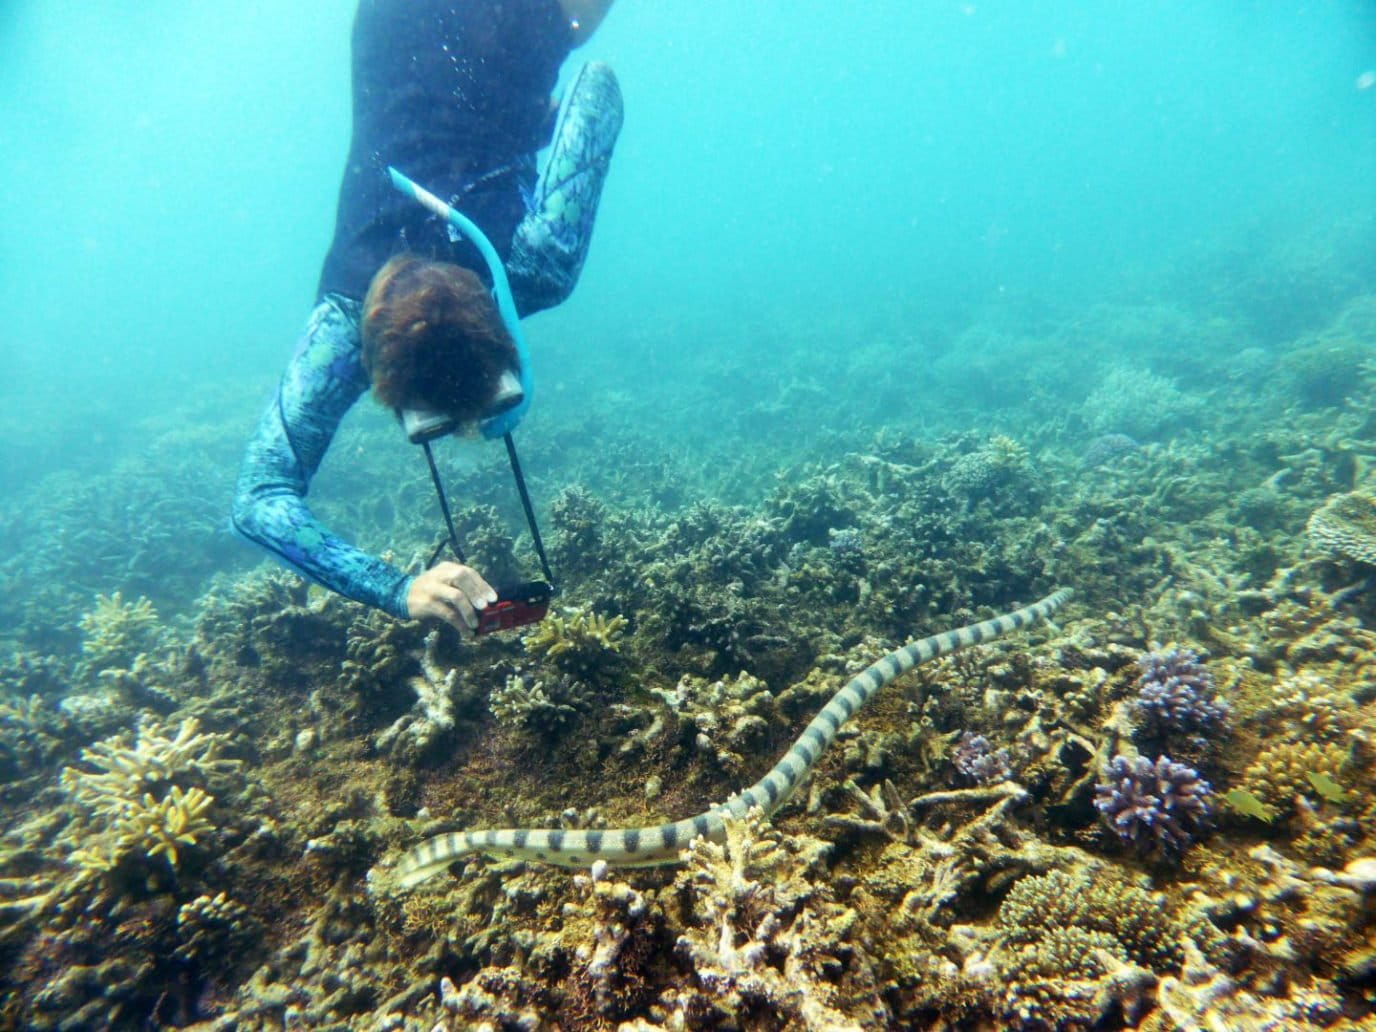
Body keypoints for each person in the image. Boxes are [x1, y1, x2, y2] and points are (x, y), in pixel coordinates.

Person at [232, 0, 622, 636]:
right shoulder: (348, 320)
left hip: (509, 29)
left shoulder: (537, 268)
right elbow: (255, 502)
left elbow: (598, 87)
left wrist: (396, 589)